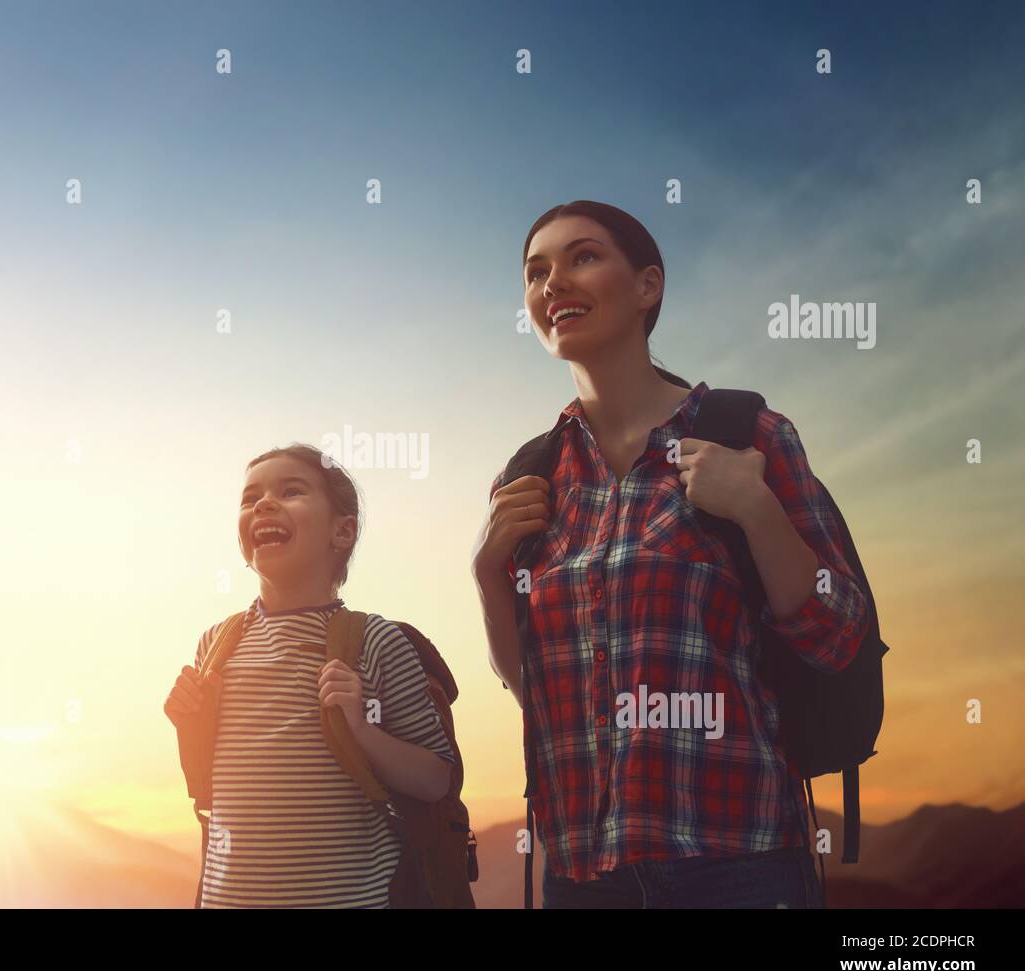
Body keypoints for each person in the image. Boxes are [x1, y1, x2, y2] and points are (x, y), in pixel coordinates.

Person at [471, 200, 869, 908]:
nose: (554, 282)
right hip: (583, 871)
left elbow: (838, 633)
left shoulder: (747, 436)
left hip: (736, 861)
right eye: (537, 272)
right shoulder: (528, 478)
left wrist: (756, 508)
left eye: (583, 257)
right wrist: (485, 572)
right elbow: (533, 688)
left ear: (648, 285)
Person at [165, 444, 456, 908]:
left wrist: (361, 728)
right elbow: (214, 790)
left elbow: (436, 779)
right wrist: (190, 724)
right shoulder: (216, 645)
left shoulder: (374, 641)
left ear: (342, 532)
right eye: (250, 497)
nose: (263, 504)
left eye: (291, 491)